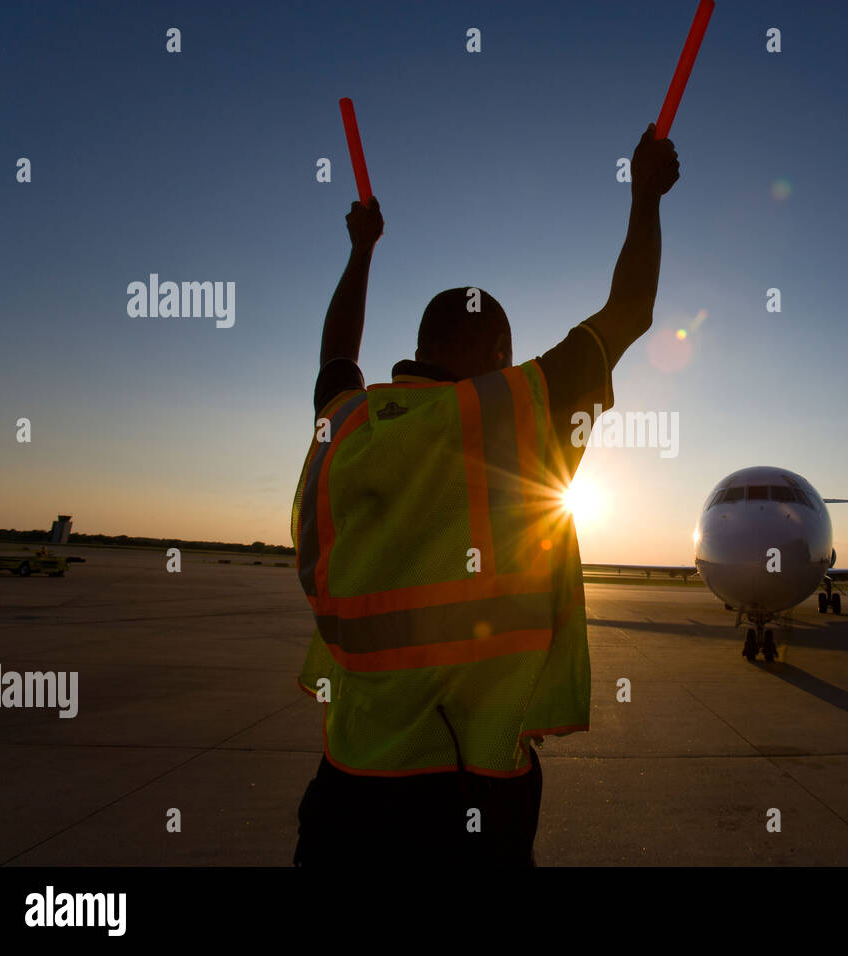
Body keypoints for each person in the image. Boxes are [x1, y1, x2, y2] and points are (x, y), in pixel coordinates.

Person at [291, 124, 680, 866]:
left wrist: (362, 249)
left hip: (350, 786)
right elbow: (631, 309)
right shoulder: (523, 407)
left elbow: (336, 353)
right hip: (477, 794)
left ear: (418, 347)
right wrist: (645, 195)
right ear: (503, 357)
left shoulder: (350, 421)